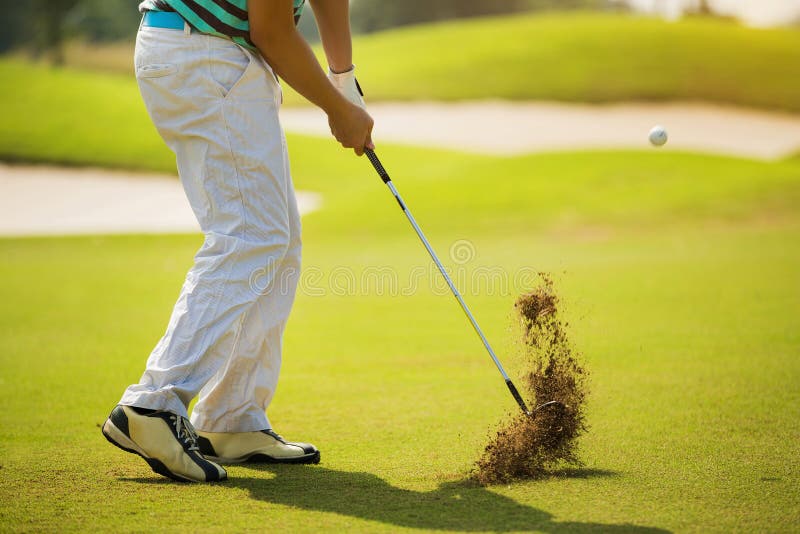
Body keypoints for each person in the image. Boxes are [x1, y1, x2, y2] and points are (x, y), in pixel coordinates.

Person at [101, 0, 373, 482]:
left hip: (212, 54)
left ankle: (231, 416)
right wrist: (337, 111)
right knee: (251, 235)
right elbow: (270, 29)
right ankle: (154, 401)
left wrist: (342, 77)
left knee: (278, 241)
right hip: (203, 53)